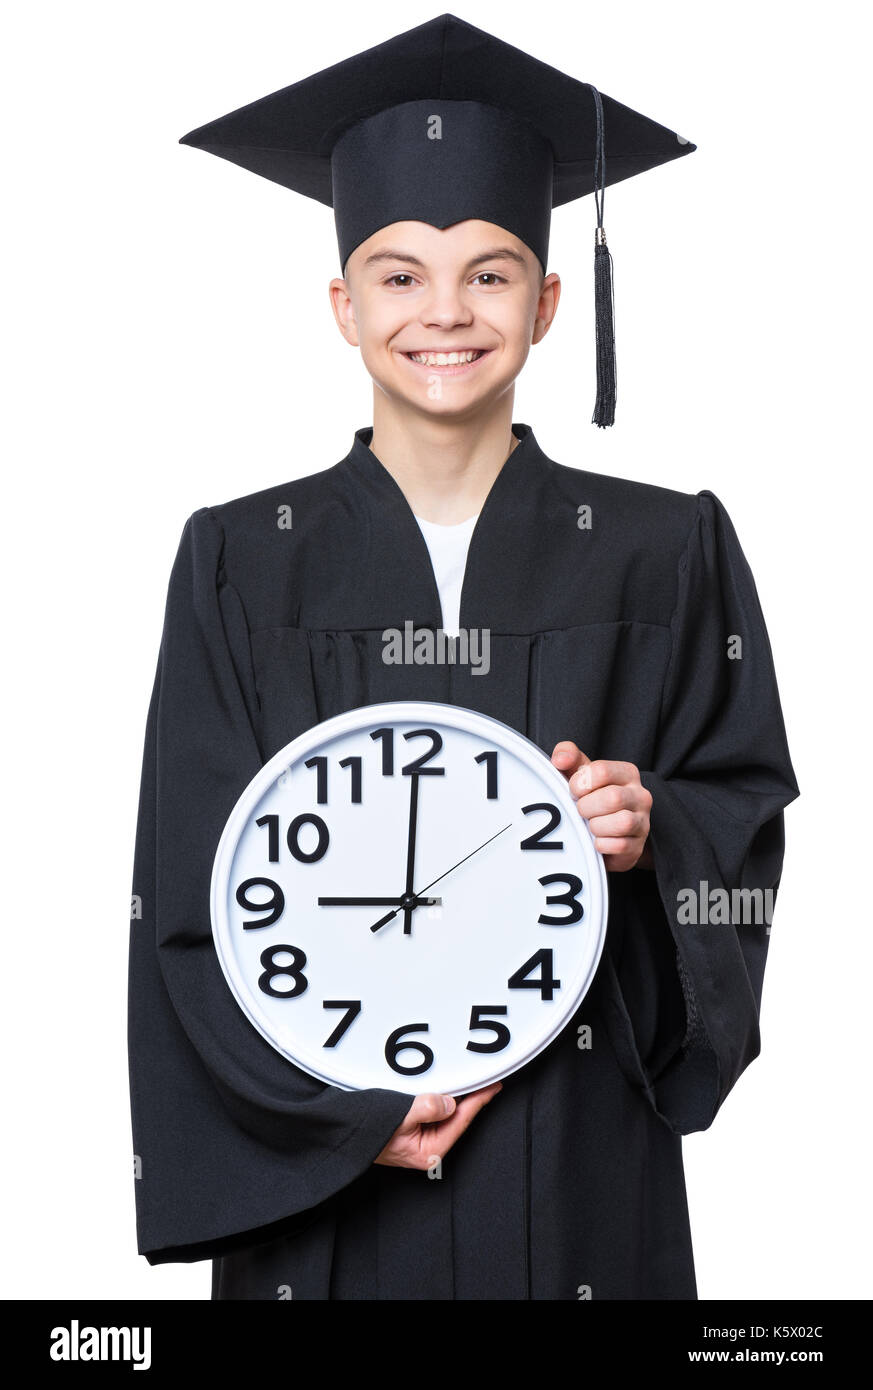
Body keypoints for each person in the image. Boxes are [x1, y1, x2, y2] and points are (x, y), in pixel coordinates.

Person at [128, 13, 799, 1300]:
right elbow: (190, 894)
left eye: (491, 274)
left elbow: (745, 811)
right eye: (398, 274)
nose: (446, 312)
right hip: (334, 1177)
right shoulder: (239, 558)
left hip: (580, 1155)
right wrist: (335, 1116)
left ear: (549, 302)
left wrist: (656, 829)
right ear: (341, 305)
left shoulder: (667, 549)